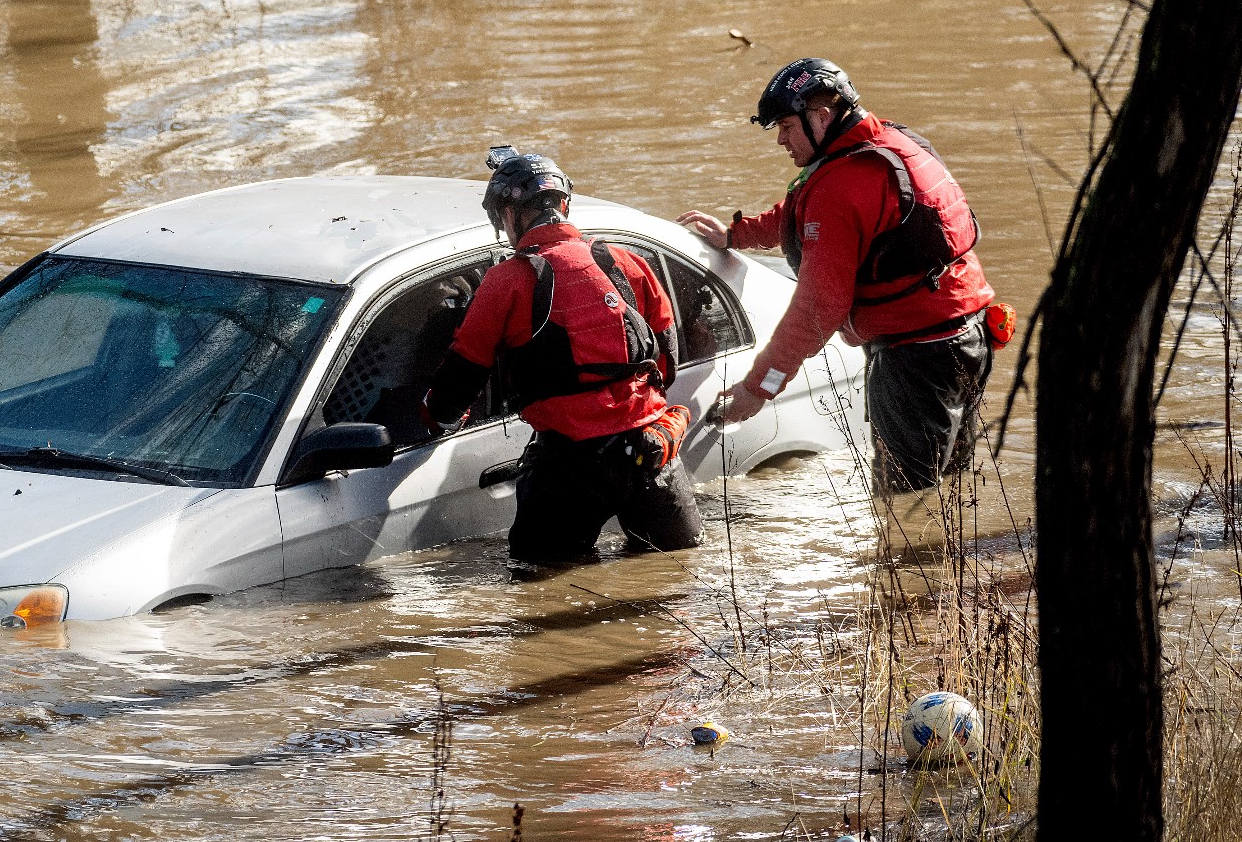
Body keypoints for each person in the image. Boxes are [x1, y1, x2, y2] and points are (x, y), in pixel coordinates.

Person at [678, 58, 1003, 493]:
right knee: (952, 493)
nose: (781, 140)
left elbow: (818, 309)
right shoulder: (890, 141)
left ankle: (910, 564)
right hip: (971, 335)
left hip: (914, 356)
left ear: (821, 117)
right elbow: (806, 211)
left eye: (787, 127)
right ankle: (952, 561)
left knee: (903, 501)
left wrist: (759, 388)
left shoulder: (842, 184)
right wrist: (738, 234)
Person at [424, 147, 700, 563]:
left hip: (568, 467)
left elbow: (463, 372)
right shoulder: (626, 262)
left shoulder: (507, 281)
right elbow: (667, 360)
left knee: (540, 589)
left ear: (510, 217)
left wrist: (435, 418)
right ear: (565, 205)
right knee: (679, 577)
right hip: (649, 451)